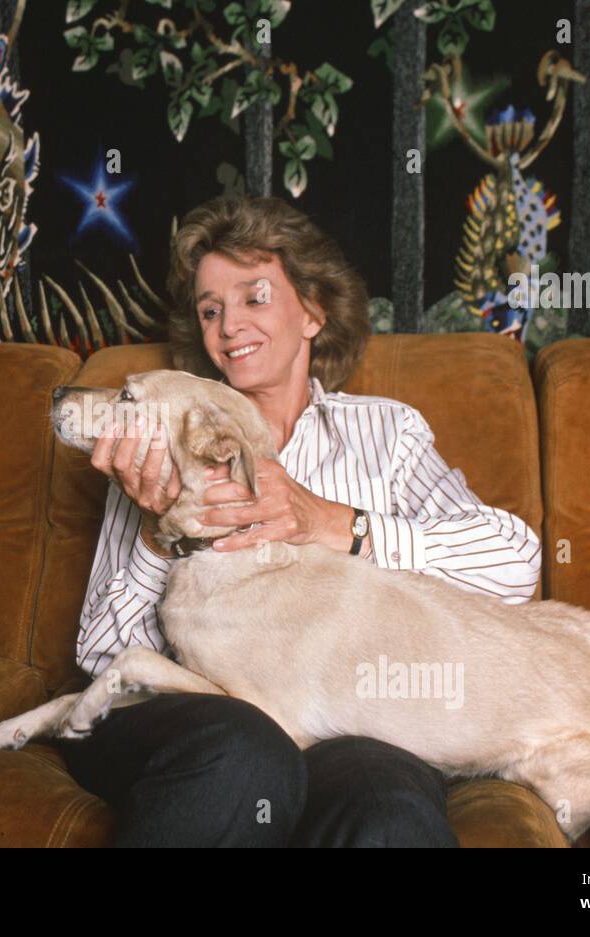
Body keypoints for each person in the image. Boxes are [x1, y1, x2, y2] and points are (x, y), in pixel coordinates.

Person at [53, 194, 542, 847]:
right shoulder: (155, 427)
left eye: (254, 297)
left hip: (343, 725)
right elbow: (99, 653)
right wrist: (154, 532)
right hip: (188, 717)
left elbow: (514, 564)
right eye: (210, 309)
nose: (228, 325)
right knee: (248, 754)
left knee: (389, 804)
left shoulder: (386, 432)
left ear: (313, 311)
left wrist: (336, 524)